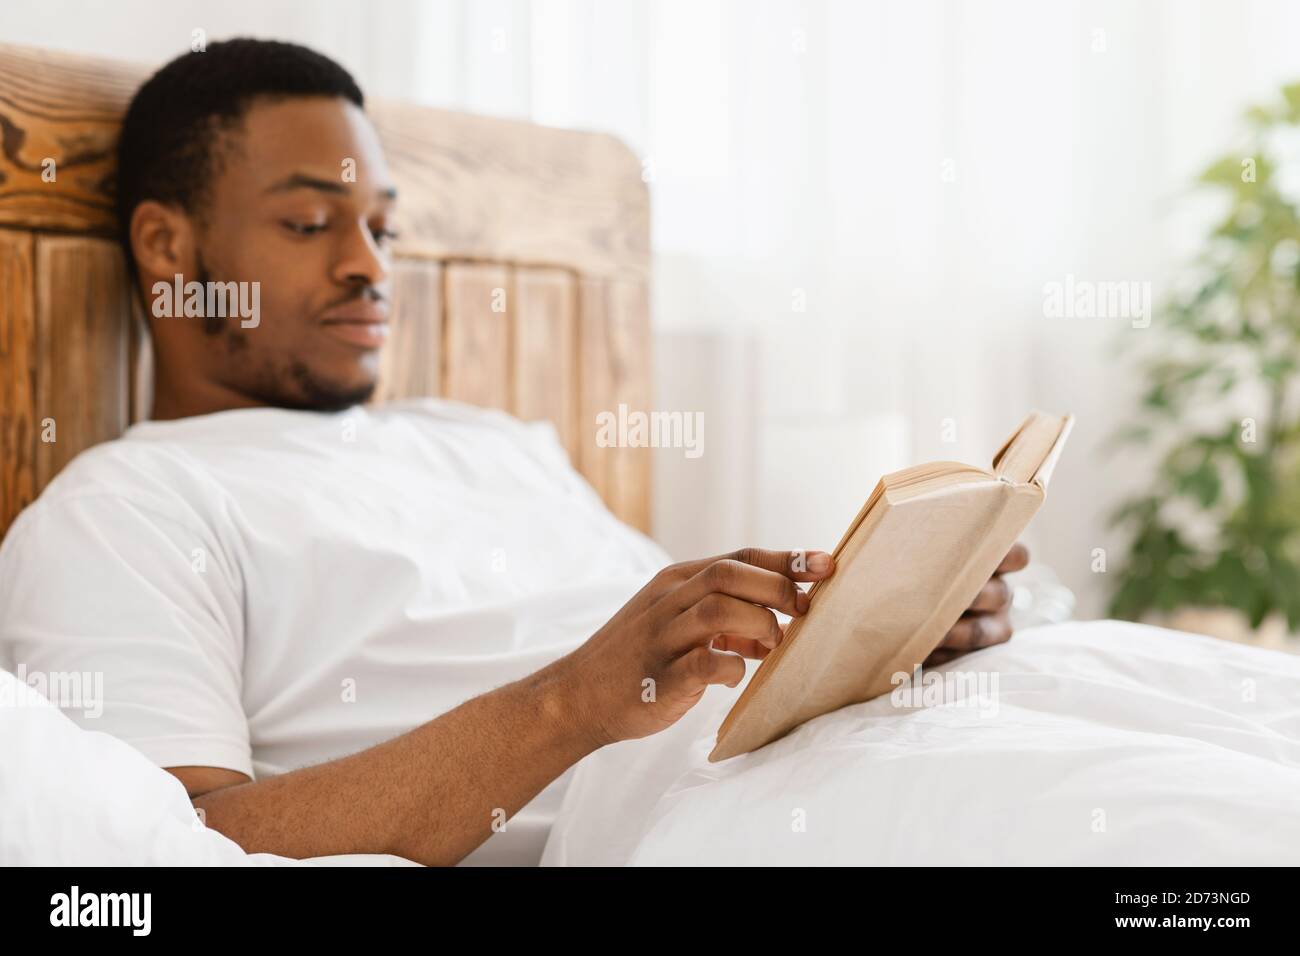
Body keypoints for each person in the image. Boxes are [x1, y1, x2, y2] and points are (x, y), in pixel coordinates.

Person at [0, 39, 1027, 866]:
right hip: (723, 819)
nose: (368, 268)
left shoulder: (493, 443)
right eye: (310, 222)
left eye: (383, 230)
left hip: (859, 748)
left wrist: (867, 631)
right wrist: (571, 700)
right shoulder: (128, 508)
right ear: (169, 249)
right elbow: (179, 850)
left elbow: (673, 659)